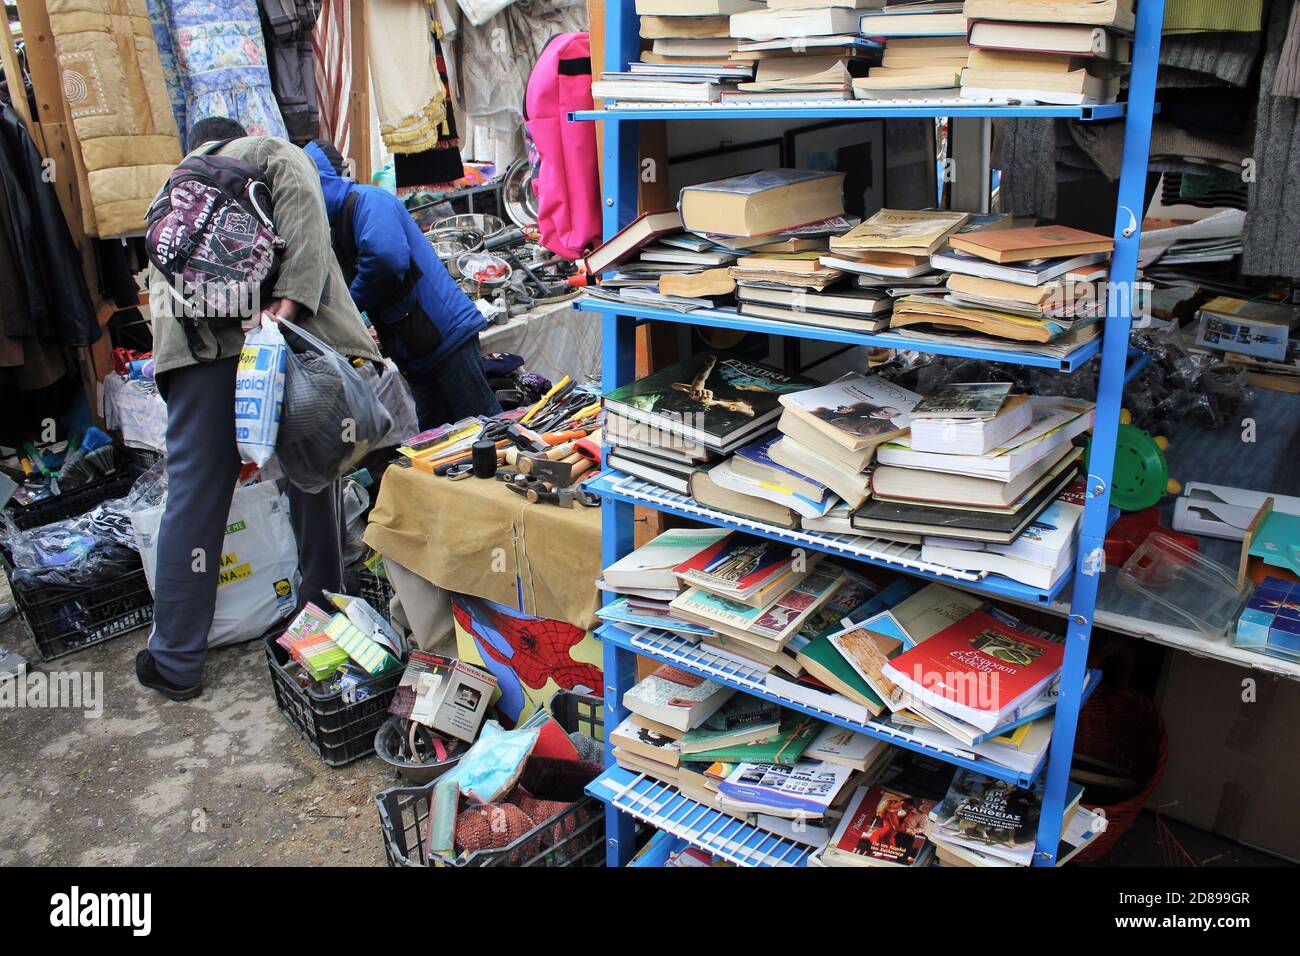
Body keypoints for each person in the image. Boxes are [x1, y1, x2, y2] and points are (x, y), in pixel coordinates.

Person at [136, 116, 383, 702]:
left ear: (192, 147)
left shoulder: (172, 192)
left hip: (194, 355)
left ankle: (175, 659)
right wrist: (288, 308)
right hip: (280, 340)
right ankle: (320, 611)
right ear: (235, 136)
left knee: (194, 497)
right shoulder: (270, 150)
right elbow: (306, 222)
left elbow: (161, 293)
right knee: (312, 476)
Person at [301, 139, 501, 429]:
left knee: (482, 425)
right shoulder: (337, 220)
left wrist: (348, 306)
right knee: (437, 439)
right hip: (416, 346)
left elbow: (386, 260)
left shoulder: (369, 200)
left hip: (445, 336)